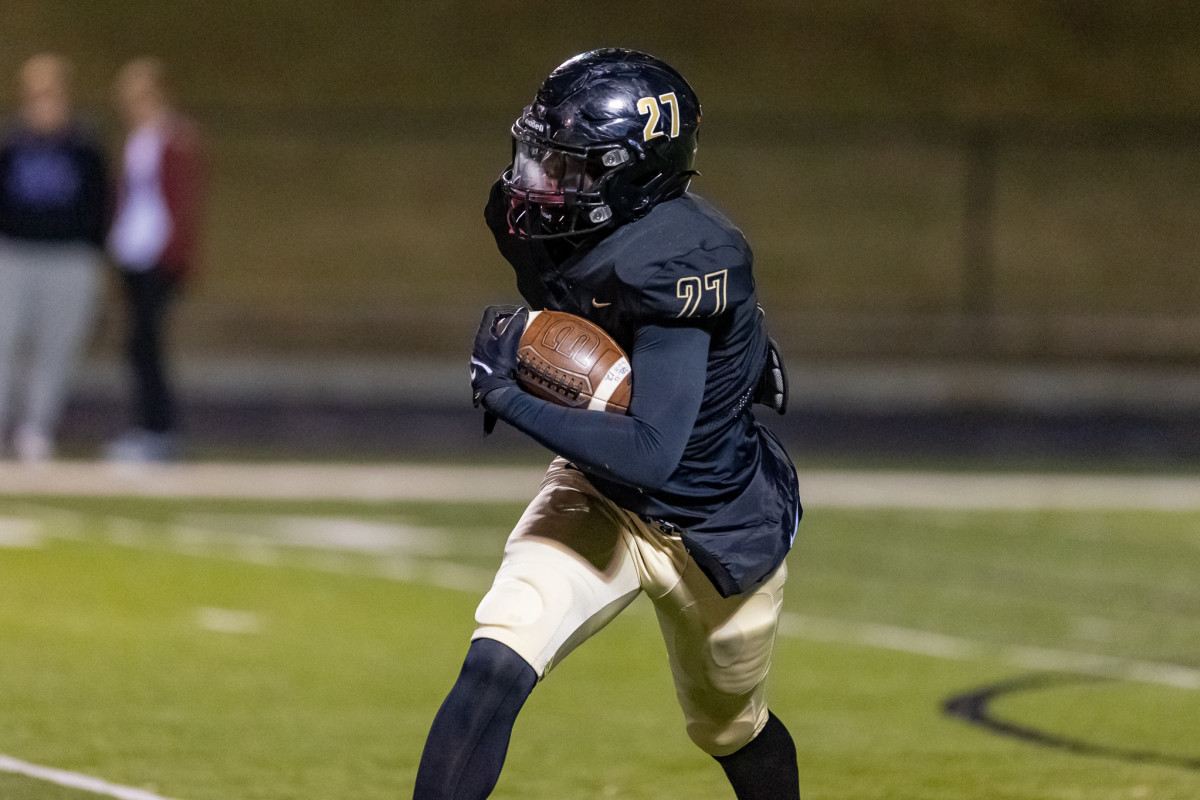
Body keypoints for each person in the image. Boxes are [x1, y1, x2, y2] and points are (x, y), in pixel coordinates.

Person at [415, 49, 801, 800]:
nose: (542, 183)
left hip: (712, 521)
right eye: (543, 157)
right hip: (601, 495)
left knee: (729, 727)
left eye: (573, 169)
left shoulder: (680, 256)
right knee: (495, 663)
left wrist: (511, 393)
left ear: (636, 175)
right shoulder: (530, 223)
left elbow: (653, 452)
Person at [0, 53, 109, 463]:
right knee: (3, 342)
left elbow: (101, 202)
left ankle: (37, 428)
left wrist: (94, 252)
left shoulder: (83, 143)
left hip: (68, 257)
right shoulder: (11, 141)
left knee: (55, 348)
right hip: (15, 254)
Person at [106, 56, 206, 462]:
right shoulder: (135, 139)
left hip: (159, 256)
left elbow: (183, 201)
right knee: (136, 345)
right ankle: (147, 428)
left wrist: (175, 252)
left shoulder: (176, 138)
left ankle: (160, 431)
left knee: (146, 341)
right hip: (133, 254)